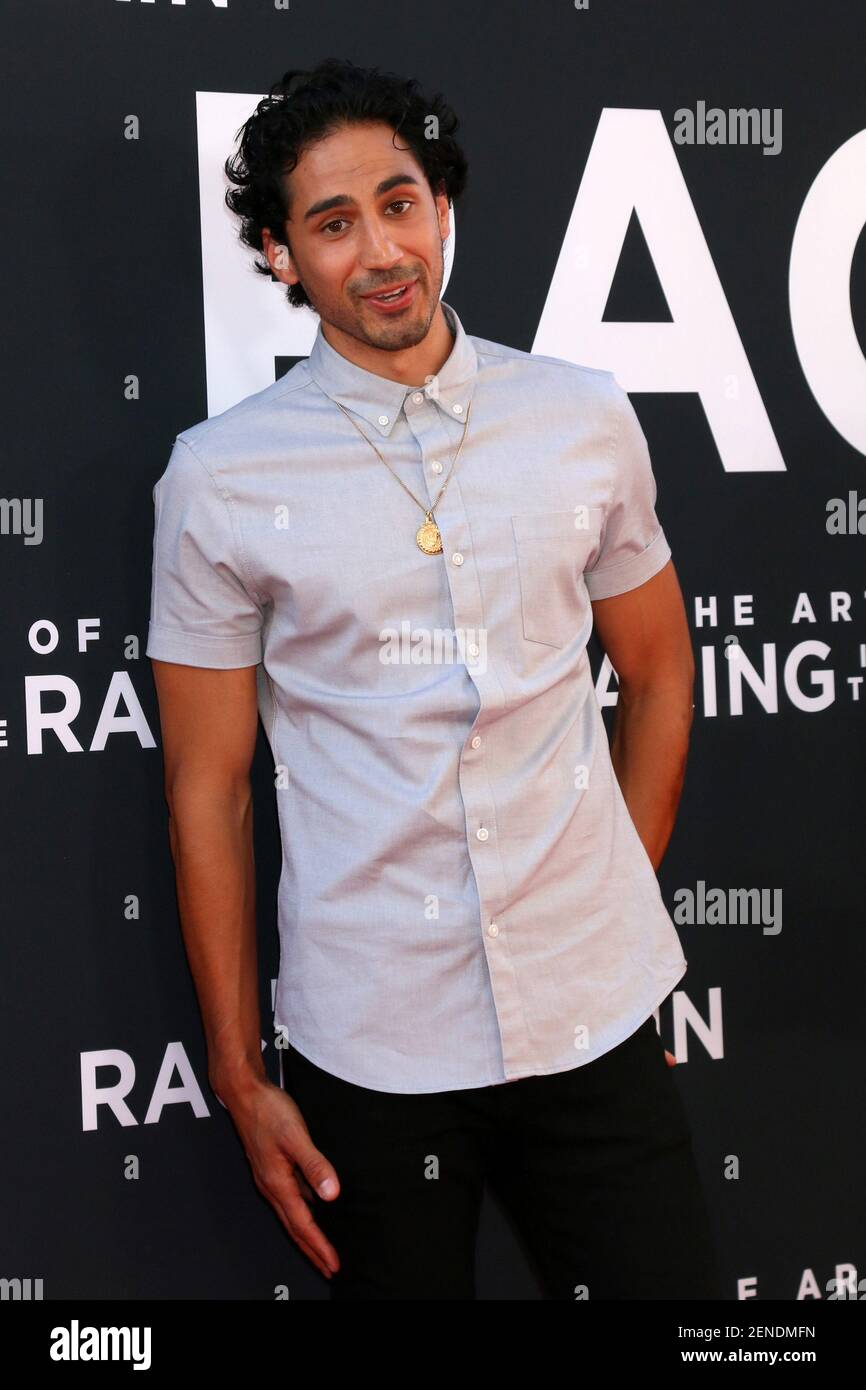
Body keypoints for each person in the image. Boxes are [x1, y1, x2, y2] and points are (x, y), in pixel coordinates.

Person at [145, 57, 722, 1300]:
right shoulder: (221, 478)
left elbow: (661, 672)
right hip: (372, 1048)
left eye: (399, 203)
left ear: (441, 209)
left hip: (595, 1022)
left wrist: (603, 917)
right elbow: (208, 786)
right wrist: (242, 1078)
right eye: (332, 222)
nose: (381, 249)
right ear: (280, 255)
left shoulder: (581, 417)